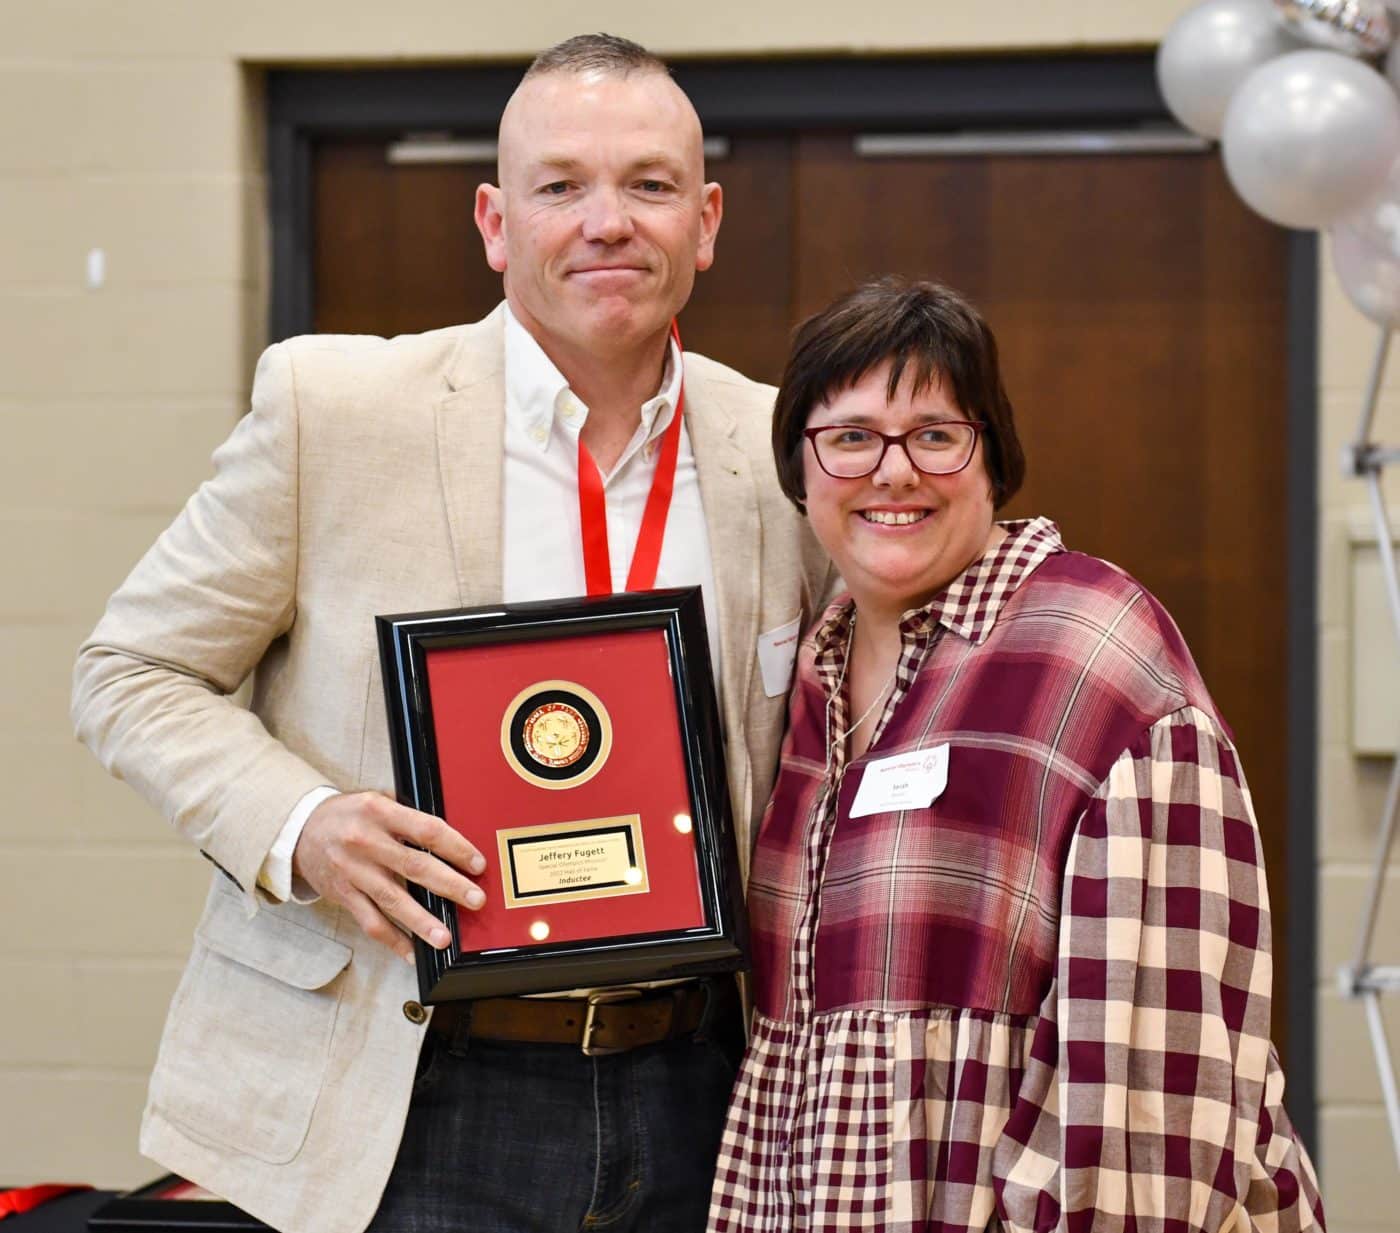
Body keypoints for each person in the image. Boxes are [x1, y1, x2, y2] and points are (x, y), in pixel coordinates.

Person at [71, 34, 831, 1233]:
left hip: (698, 1086)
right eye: (559, 185)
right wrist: (302, 824)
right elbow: (131, 671)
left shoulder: (783, 450)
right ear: (492, 221)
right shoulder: (334, 410)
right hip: (411, 1081)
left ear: (706, 218)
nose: (606, 221)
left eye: (648, 184)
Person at [707, 277, 1324, 1232]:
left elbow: (1145, 1085)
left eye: (936, 433)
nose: (893, 471)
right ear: (801, 466)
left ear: (993, 453)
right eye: (852, 436)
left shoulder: (1093, 652)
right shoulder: (806, 680)